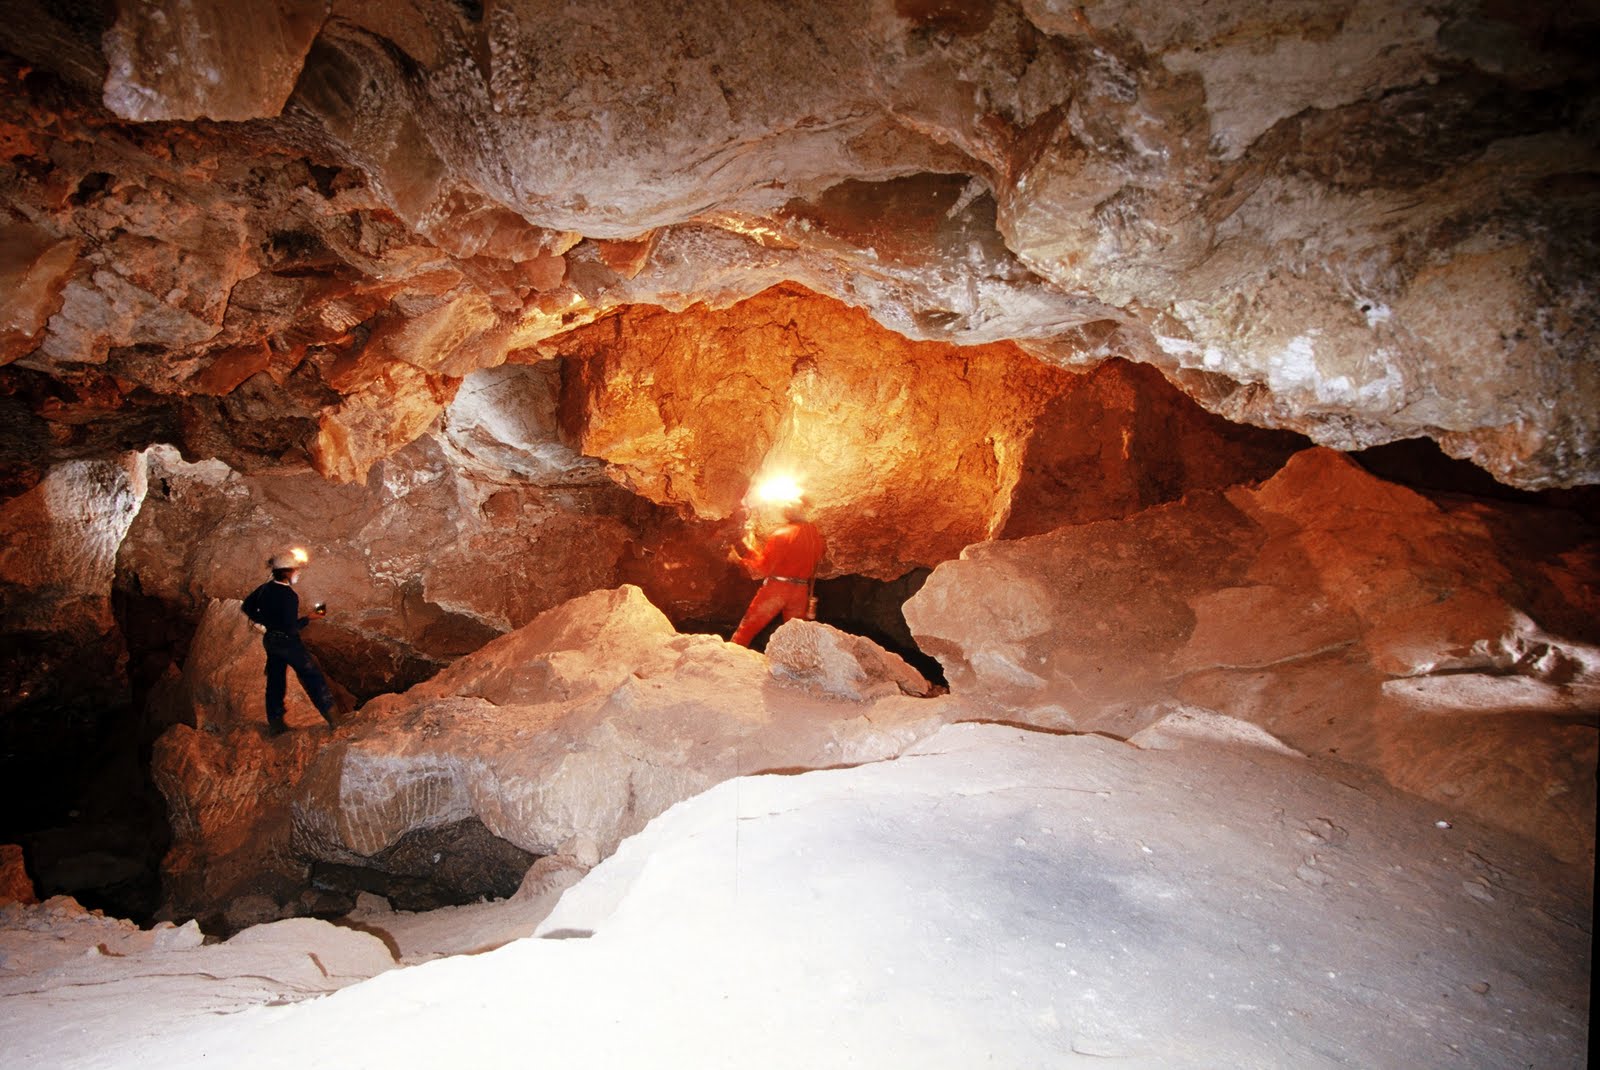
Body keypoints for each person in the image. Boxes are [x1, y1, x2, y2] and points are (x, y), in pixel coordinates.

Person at [240, 551, 337, 736]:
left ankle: (276, 724)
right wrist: (309, 618)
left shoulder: (264, 588)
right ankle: (334, 719)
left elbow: (247, 606)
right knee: (312, 675)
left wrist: (263, 621)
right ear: (286, 573)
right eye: (295, 571)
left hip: (271, 641)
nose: (297, 574)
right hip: (287, 642)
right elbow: (291, 627)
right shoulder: (289, 596)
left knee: (276, 680)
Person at [730, 499, 826, 647]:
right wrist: (750, 547)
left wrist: (739, 560)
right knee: (797, 637)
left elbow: (763, 568)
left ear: (788, 512)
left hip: (777, 590)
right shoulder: (816, 537)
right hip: (800, 592)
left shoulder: (782, 534)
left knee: (745, 632)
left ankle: (730, 661)